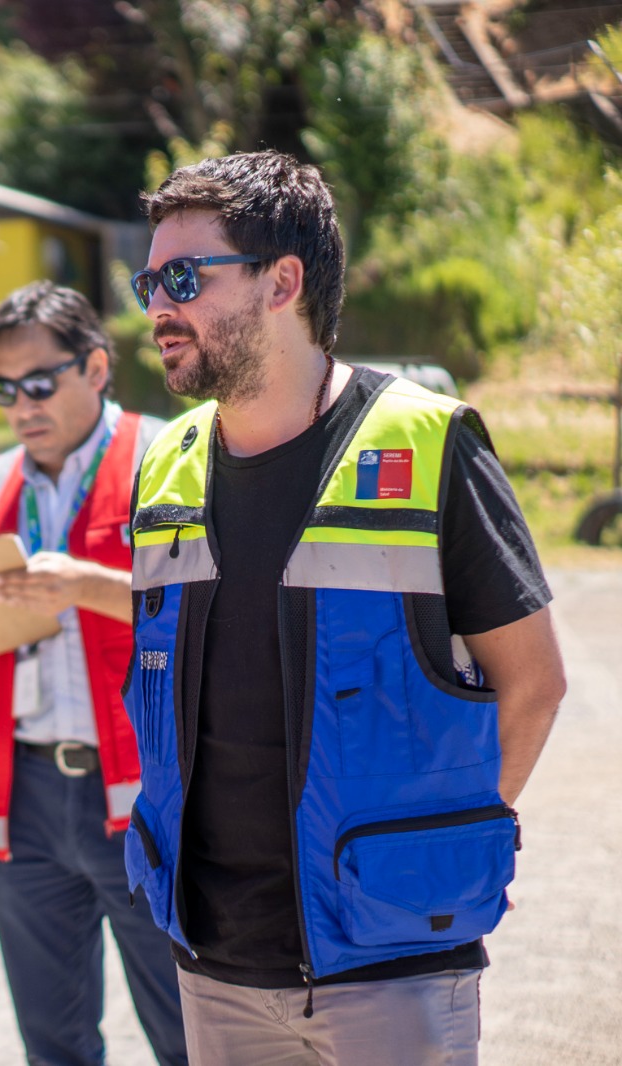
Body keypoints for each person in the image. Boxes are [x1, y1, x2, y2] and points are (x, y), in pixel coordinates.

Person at [122, 151, 565, 1064]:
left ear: (282, 281)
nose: (159, 309)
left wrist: (441, 855)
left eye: (183, 277)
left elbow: (534, 683)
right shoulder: (165, 464)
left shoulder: (429, 443)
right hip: (215, 967)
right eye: (148, 282)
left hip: (393, 970)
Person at [0, 281, 187, 1066]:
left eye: (40, 383)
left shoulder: (169, 460)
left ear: (95, 366)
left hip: (149, 792)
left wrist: (86, 588)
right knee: (53, 1043)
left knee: (187, 1031)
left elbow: (221, 621)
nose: (23, 406)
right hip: (23, 794)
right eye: (3, 390)